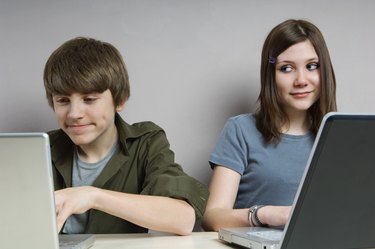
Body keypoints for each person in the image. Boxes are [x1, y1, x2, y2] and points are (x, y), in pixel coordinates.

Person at [43, 37, 208, 235]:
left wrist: (93, 196)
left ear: (119, 100)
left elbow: (182, 219)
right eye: (63, 100)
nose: (74, 113)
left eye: (89, 99)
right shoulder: (40, 149)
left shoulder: (146, 142)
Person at [202, 19, 337, 231]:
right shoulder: (241, 130)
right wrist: (266, 214)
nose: (301, 80)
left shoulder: (339, 135)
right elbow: (212, 218)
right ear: (270, 76)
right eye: (286, 68)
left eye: (312, 66)